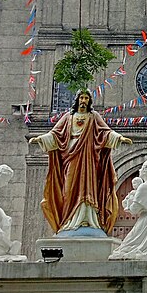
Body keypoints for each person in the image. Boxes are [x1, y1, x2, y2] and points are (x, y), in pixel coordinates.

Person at [30, 90, 132, 236]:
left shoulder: (94, 117)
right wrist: (40, 139)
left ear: (89, 101)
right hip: (71, 156)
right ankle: (69, 221)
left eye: (86, 98)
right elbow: (55, 134)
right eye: (81, 98)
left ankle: (89, 220)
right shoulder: (68, 117)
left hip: (89, 159)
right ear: (77, 100)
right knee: (69, 188)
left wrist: (119, 138)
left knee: (90, 188)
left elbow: (105, 132)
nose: (83, 100)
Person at [109, 161, 147, 260]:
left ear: (145, 171)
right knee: (131, 244)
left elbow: (134, 209)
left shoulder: (144, 186)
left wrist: (127, 204)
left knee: (128, 244)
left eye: (142, 168)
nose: (140, 170)